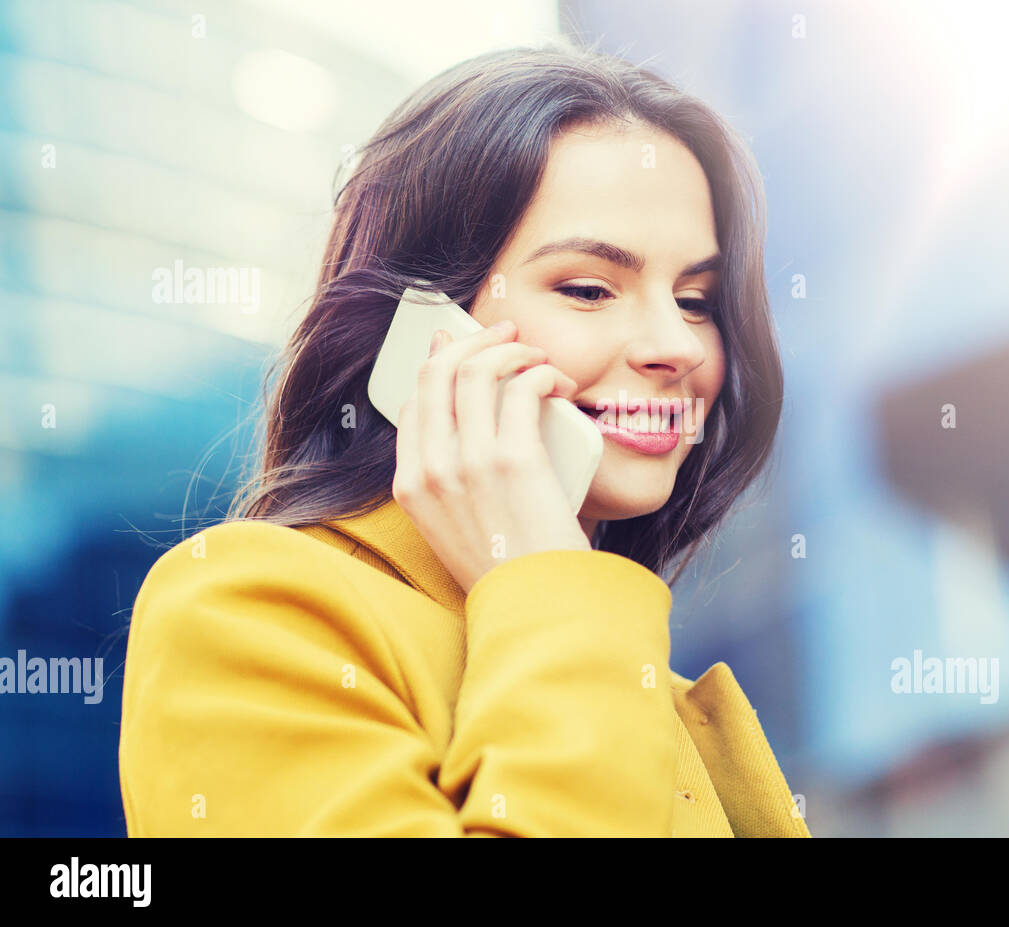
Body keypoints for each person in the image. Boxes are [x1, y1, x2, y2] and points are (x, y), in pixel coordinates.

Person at [118, 41, 809, 837]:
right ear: (424, 331)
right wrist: (550, 584)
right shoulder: (248, 615)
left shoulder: (648, 687)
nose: (678, 345)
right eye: (588, 289)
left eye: (696, 300)